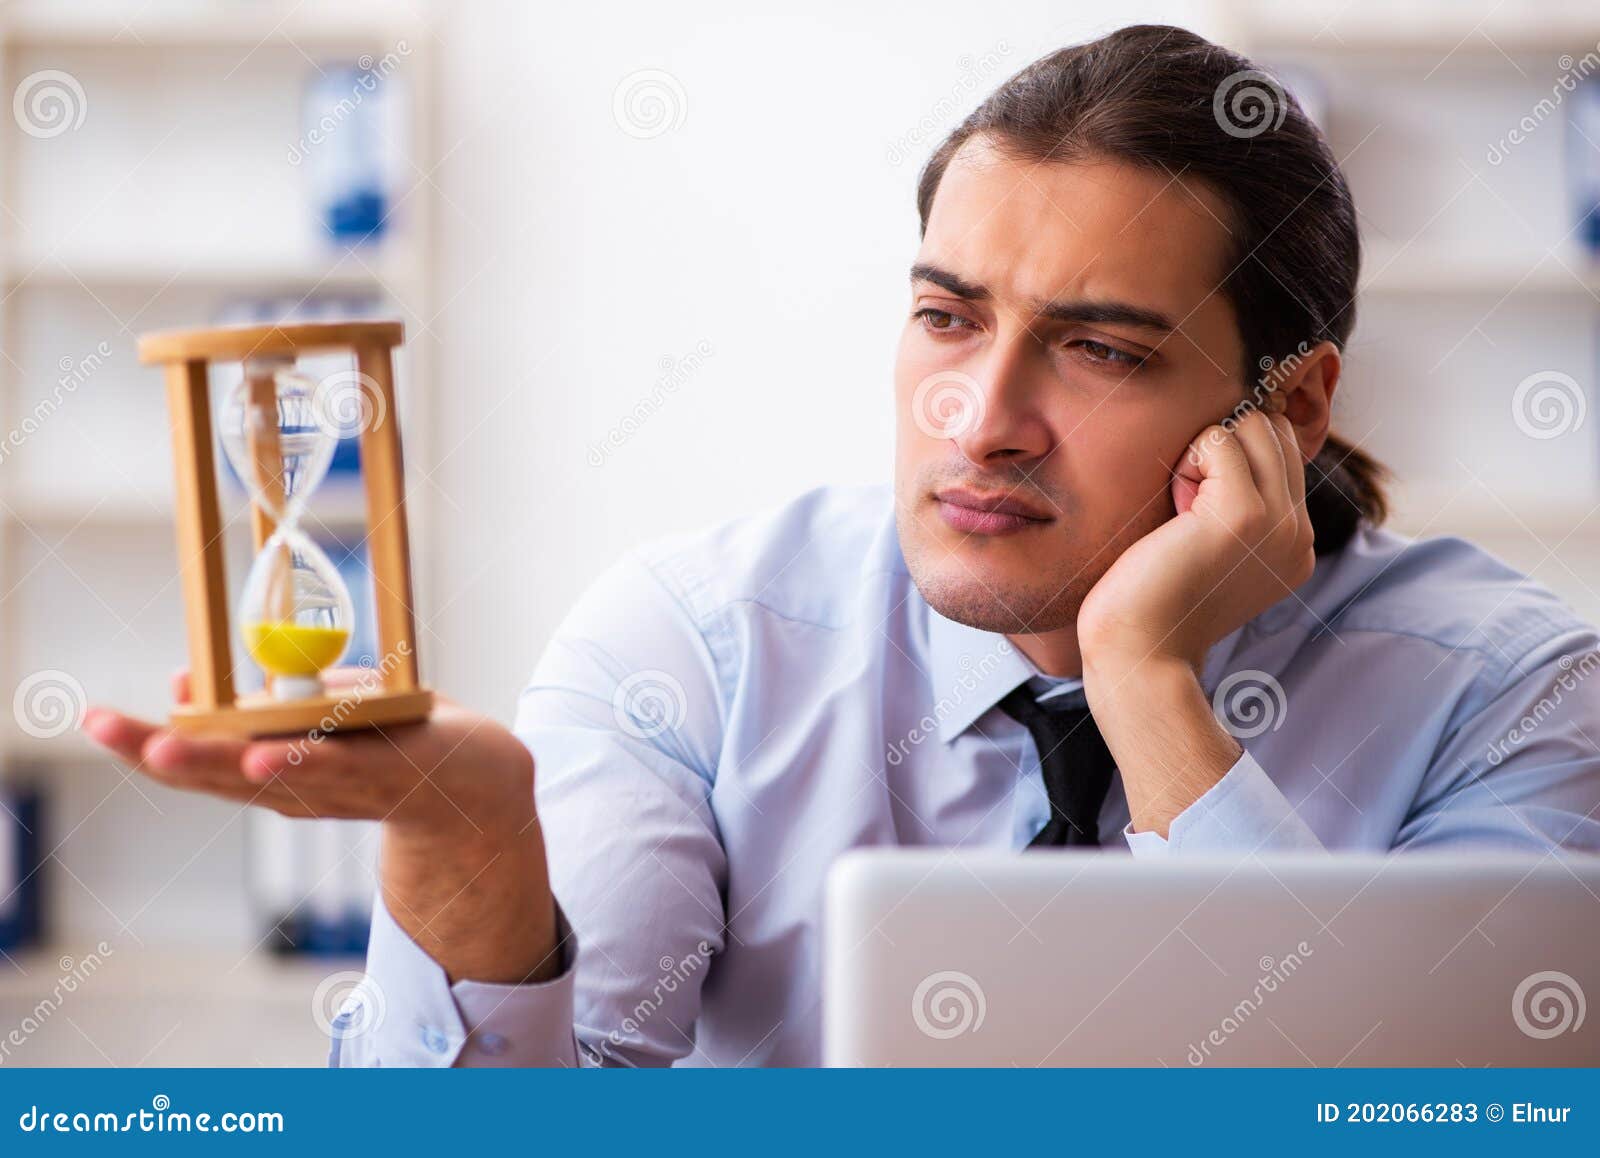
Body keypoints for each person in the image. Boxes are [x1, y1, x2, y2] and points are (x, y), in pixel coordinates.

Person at [85, 24, 1600, 1067]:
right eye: (947, 317)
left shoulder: (1510, 695)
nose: (980, 419)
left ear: (1294, 405)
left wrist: (1146, 684)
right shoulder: (699, 645)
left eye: (1100, 350)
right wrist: (470, 854)